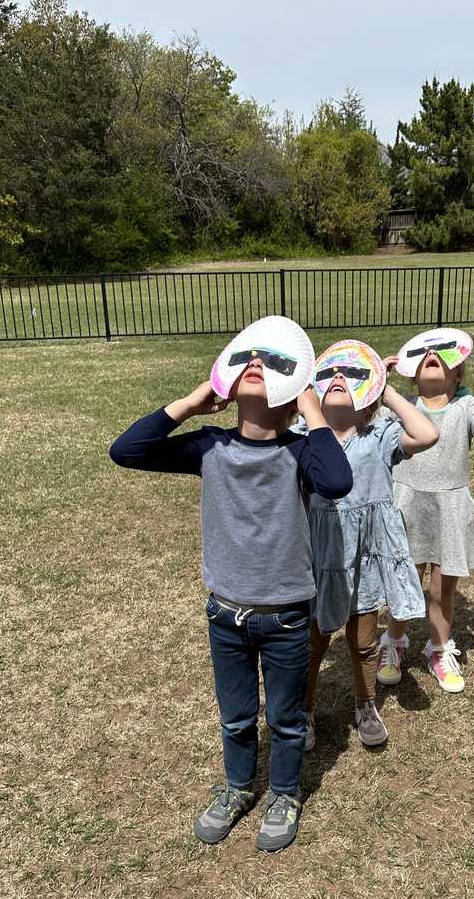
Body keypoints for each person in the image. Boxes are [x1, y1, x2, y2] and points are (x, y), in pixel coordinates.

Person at [109, 317, 352, 854]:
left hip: (287, 614)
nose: (257, 366)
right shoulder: (209, 447)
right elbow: (127, 451)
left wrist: (312, 414)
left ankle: (284, 794)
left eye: (274, 364)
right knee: (237, 716)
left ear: (292, 394)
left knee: (286, 720)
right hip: (226, 613)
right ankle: (239, 788)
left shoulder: (301, 452)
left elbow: (337, 480)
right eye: (248, 360)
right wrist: (192, 402)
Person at [298, 340, 438, 748]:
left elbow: (427, 432)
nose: (339, 379)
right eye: (329, 375)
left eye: (353, 375)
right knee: (314, 641)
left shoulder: (379, 437)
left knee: (362, 642)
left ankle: (365, 704)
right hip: (318, 554)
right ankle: (302, 709)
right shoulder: (303, 436)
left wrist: (386, 389)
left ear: (367, 397)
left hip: (365, 558)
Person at [377, 328, 474, 694]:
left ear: (457, 374)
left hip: (449, 506)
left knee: (440, 590)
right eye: (425, 356)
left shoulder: (464, 406)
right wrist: (380, 383)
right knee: (404, 583)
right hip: (407, 505)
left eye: (443, 357)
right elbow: (366, 416)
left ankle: (438, 650)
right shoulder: (402, 405)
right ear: (413, 373)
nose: (432, 354)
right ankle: (394, 645)